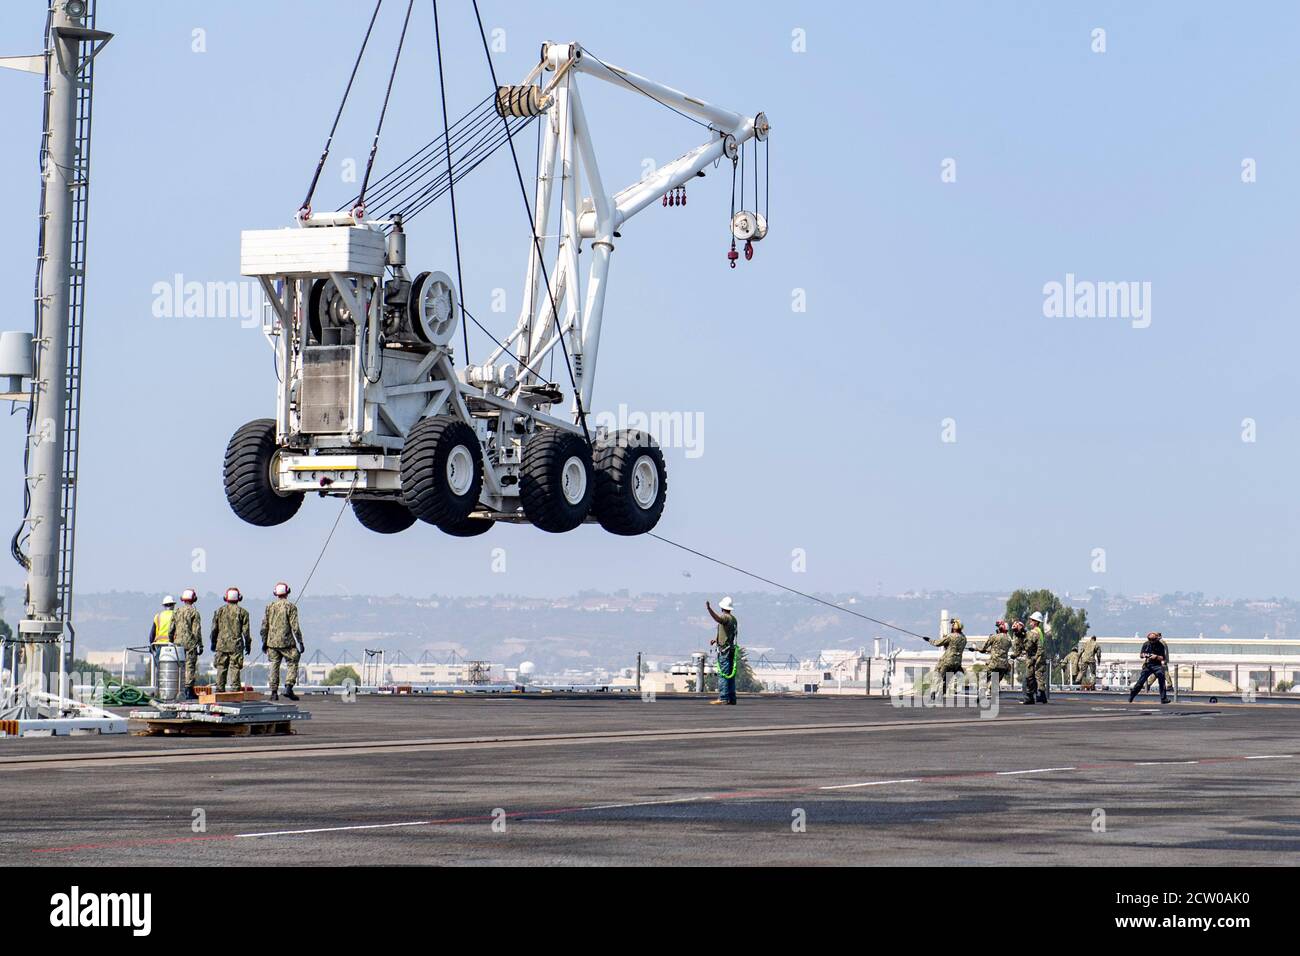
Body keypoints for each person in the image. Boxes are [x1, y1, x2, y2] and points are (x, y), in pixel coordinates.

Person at [261, 581, 305, 701]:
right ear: (287, 593)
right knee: (293, 661)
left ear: (276, 593)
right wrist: (300, 642)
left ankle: (274, 692)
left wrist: (264, 642)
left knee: (274, 665)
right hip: (287, 643)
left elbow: (264, 626)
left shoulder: (269, 607)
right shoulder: (291, 607)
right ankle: (288, 686)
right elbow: (295, 627)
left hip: (272, 643)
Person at [210, 587, 251, 693]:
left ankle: (219, 690)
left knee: (221, 667)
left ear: (226, 598)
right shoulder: (243, 613)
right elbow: (246, 632)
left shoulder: (219, 611)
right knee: (235, 668)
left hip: (221, 644)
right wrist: (248, 644)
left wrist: (213, 642)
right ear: (239, 598)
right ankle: (235, 690)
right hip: (236, 645)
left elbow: (214, 629)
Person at [171, 588, 204, 699]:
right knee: (190, 666)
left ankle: (178, 690)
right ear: (193, 599)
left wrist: (171, 640)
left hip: (178, 643)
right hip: (190, 643)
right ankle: (188, 691)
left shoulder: (177, 611)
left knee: (179, 666)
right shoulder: (195, 613)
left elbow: (171, 628)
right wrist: (200, 645)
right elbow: (196, 631)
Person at [706, 596, 739, 705]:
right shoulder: (733, 619)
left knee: (723, 674)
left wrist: (709, 610)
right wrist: (715, 640)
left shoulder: (726, 618)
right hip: (730, 649)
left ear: (722, 608)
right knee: (730, 675)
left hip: (724, 651)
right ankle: (731, 698)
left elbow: (718, 619)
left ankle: (723, 698)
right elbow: (726, 632)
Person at [926, 617, 967, 698]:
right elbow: (951, 646)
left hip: (947, 660)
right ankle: (942, 693)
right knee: (947, 678)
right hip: (957, 663)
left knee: (938, 674)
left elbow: (937, 643)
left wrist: (929, 640)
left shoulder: (950, 636)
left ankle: (934, 691)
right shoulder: (964, 638)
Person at [1128, 631, 1170, 704]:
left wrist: (1156, 657)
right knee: (1140, 682)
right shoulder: (1146, 644)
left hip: (1157, 665)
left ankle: (1163, 698)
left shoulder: (1160, 645)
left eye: (1153, 640)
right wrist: (1146, 655)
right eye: (1150, 639)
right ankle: (1132, 695)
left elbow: (1162, 657)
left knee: (1162, 679)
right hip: (1148, 665)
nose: (1151, 641)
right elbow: (1141, 655)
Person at [975, 620, 1012, 695]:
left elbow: (983, 648)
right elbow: (999, 649)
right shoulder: (1009, 640)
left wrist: (978, 649)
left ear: (1001, 627)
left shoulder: (994, 637)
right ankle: (989, 690)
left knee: (984, 676)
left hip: (994, 663)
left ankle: (981, 691)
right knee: (996, 679)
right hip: (1004, 665)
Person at [1010, 618, 1040, 705]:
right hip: (1029, 659)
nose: (1016, 633)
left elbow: (1040, 648)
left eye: (1017, 630)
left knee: (1028, 677)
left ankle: (1030, 697)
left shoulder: (1032, 635)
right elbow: (1018, 651)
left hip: (1037, 658)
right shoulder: (1018, 638)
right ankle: (1030, 697)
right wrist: (1014, 655)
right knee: (1028, 678)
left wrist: (1035, 658)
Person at [1026, 611, 1049, 703]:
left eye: (1031, 620)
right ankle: (1041, 696)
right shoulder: (1040, 631)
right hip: (1040, 655)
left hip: (1038, 656)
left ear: (1035, 622)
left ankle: (1040, 695)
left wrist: (1035, 657)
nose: (1030, 622)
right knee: (1038, 675)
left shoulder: (1035, 631)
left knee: (1037, 675)